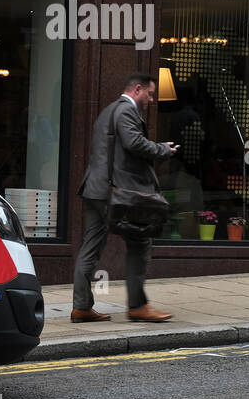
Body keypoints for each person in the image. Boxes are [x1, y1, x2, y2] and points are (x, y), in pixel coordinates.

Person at [72, 73, 177, 323]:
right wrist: (162, 149)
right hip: (115, 191)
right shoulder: (126, 111)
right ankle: (137, 306)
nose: (151, 100)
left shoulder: (107, 111)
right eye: (150, 94)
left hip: (96, 189)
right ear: (137, 89)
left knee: (91, 246)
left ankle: (81, 307)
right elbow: (134, 143)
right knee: (140, 242)